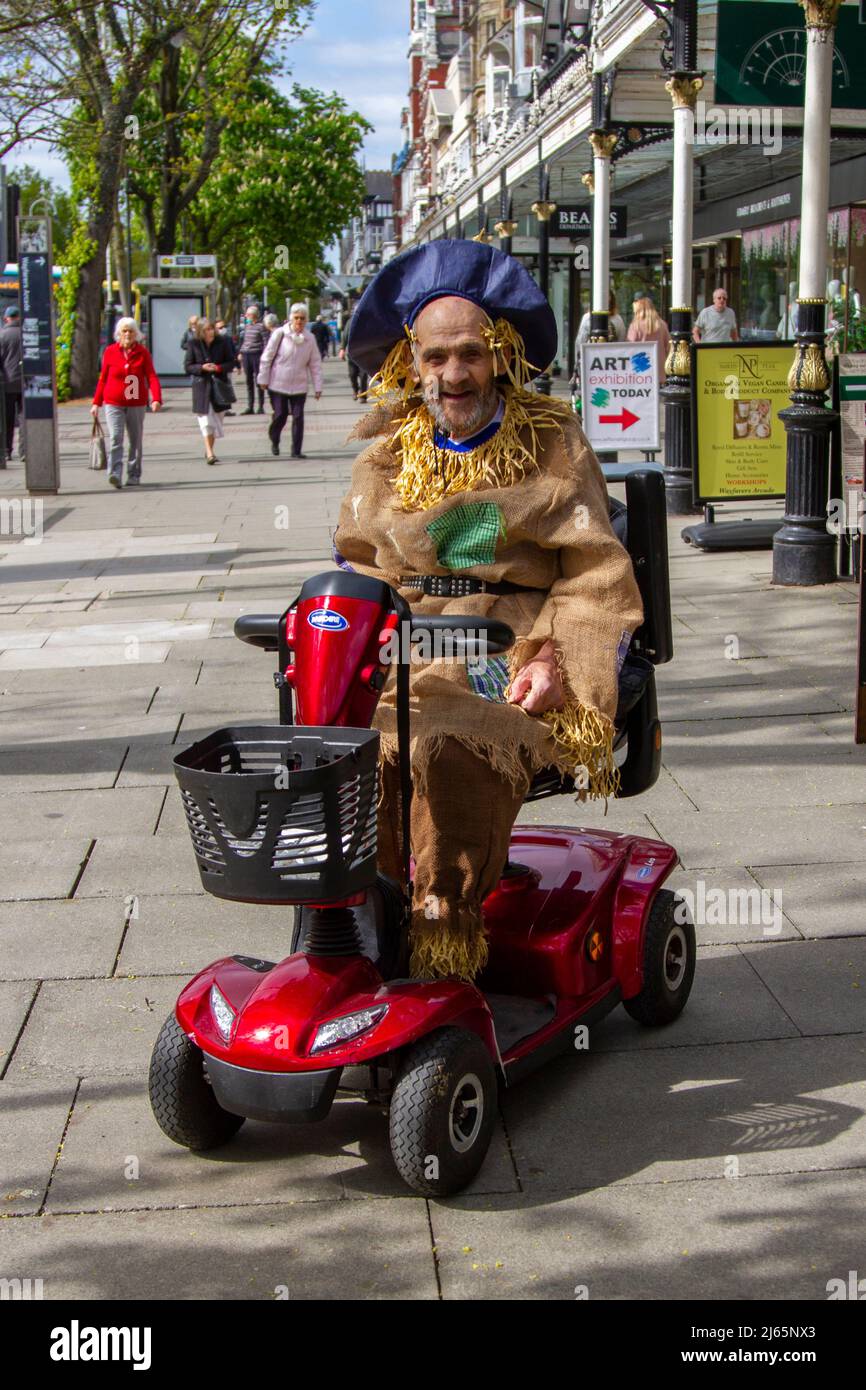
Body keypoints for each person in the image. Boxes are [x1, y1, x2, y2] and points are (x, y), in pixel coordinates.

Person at [333, 239, 643, 981]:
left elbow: (597, 571)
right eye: (435, 358)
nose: (452, 374)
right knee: (340, 752)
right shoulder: (384, 454)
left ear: (500, 353)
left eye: (469, 353)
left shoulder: (552, 442)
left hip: (509, 641)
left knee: (449, 746)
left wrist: (556, 659)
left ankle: (443, 944)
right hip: (402, 635)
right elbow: (355, 559)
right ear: (413, 361)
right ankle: (360, 931)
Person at [91, 317, 162, 487]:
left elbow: (151, 376)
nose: (127, 334)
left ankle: (134, 474)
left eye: (130, 331)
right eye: (124, 331)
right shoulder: (110, 351)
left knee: (135, 440)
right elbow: (103, 379)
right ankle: (115, 472)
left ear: (136, 334)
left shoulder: (142, 353)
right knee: (116, 437)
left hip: (136, 402)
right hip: (113, 401)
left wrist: (156, 398)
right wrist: (96, 403)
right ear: (119, 334)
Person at [257, 304, 323, 458]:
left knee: (298, 416)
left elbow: (315, 364)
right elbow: (267, 357)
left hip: (299, 385)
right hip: (278, 382)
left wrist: (318, 386)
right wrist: (263, 378)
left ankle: (296, 450)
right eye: (296, 317)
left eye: (302, 318)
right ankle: (274, 438)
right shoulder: (280, 334)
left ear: (306, 320)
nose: (299, 321)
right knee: (280, 414)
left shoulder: (310, 338)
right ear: (291, 318)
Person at [184, 318, 236, 464]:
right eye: (207, 329)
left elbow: (231, 362)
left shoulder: (223, 342)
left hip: (219, 387)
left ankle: (209, 450)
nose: (210, 332)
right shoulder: (193, 344)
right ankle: (210, 452)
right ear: (200, 331)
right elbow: (188, 366)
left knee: (216, 420)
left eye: (211, 328)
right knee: (206, 420)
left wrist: (219, 368)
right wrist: (201, 368)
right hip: (202, 386)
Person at [627, 295, 671, 382]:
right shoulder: (662, 324)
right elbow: (669, 347)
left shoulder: (635, 326)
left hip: (641, 375)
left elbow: (629, 349)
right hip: (659, 373)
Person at [236, 305, 269, 414]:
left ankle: (260, 406)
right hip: (246, 355)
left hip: (256, 354)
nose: (246, 316)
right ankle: (250, 406)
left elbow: (265, 342)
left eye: (248, 314)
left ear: (253, 315)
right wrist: (240, 352)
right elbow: (244, 341)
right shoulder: (246, 326)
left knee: (258, 381)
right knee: (248, 381)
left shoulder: (261, 326)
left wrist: (264, 356)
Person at [0, 305, 23, 461]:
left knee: (7, 419)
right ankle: (25, 451)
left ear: (6, 318)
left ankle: (7, 450)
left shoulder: (2, 335)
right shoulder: (25, 334)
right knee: (24, 418)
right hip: (26, 383)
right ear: (19, 317)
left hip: (7, 383)